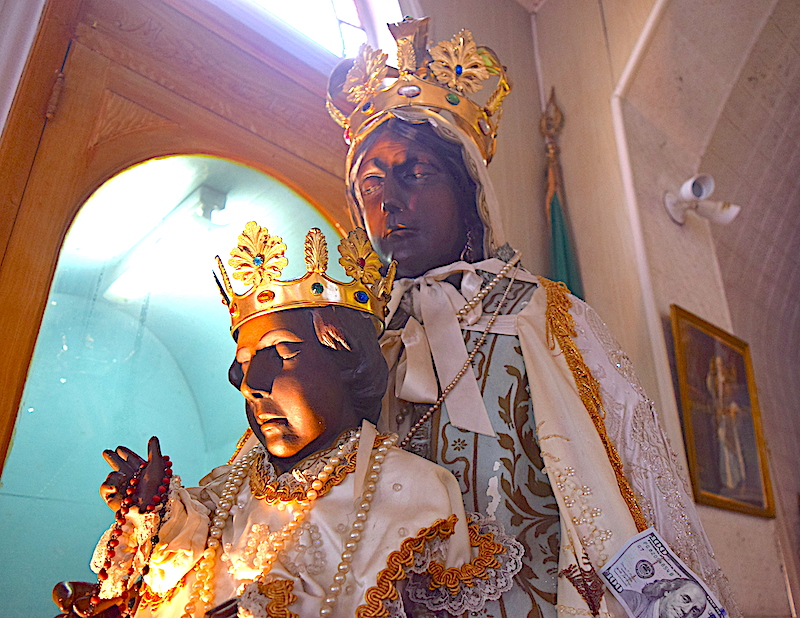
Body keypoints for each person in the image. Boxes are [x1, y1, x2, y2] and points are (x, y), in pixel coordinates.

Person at [326, 17, 738, 618]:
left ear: (471, 196)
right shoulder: (350, 340)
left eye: (416, 173)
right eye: (370, 182)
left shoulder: (543, 317)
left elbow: (618, 489)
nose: (388, 199)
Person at [52, 225, 523, 618]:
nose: (251, 384)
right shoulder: (228, 484)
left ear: (349, 361)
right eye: (244, 365)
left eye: (282, 352)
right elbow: (174, 573)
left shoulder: (414, 490)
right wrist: (151, 508)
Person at [621, 579, 708, 618]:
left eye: (694, 611)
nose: (686, 611)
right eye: (685, 599)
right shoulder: (633, 601)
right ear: (669, 591)